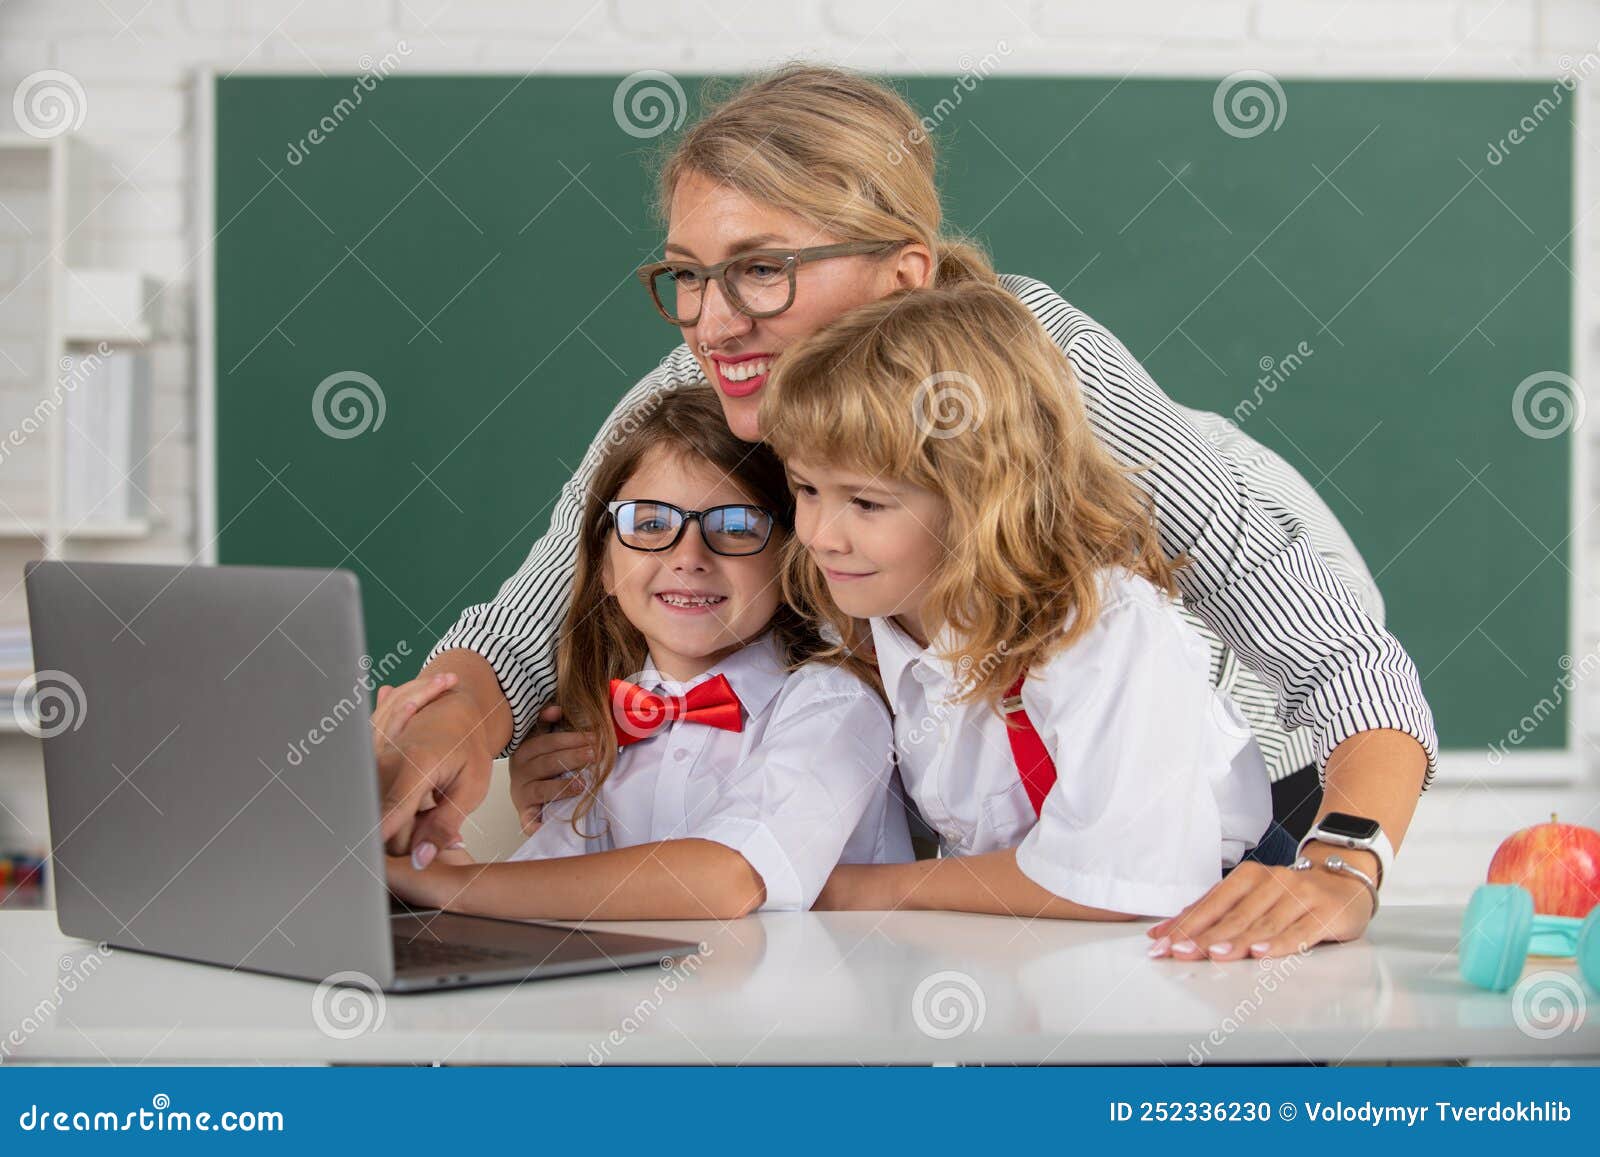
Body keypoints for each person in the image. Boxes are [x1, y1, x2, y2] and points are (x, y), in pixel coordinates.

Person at [373, 64, 1435, 959]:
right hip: (974, 823)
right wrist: (452, 730)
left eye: (761, 270)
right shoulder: (693, 391)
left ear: (903, 274)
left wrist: (1342, 856)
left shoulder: (1038, 376)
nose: (711, 318)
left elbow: (1333, 649)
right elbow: (537, 609)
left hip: (1216, 811)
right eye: (688, 275)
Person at [763, 280, 1275, 922]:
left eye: (866, 503)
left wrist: (851, 891)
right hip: (1019, 938)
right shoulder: (869, 616)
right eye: (807, 489)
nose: (818, 536)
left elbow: (1112, 885)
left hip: (1182, 935)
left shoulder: (1100, 628)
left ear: (982, 498)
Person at [382, 386, 910, 919]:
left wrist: (453, 886)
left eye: (734, 527)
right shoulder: (605, 725)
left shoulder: (835, 705)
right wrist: (431, 864)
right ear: (604, 565)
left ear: (788, 556)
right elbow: (544, 889)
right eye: (651, 523)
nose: (688, 557)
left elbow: (727, 879)